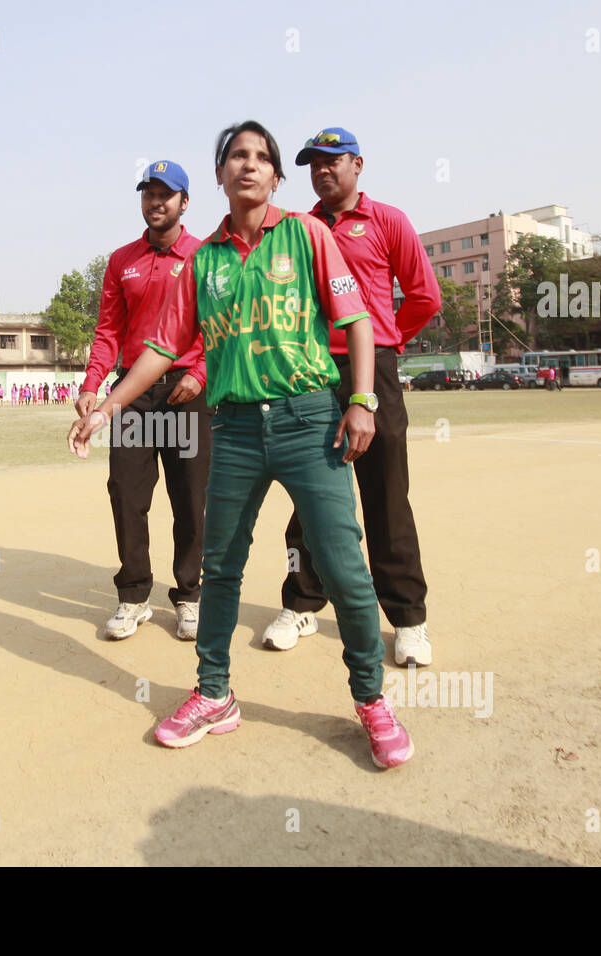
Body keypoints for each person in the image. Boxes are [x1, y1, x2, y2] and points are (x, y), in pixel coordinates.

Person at [70, 120, 413, 768]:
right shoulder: (205, 262)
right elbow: (161, 348)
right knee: (220, 567)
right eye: (236, 156)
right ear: (221, 176)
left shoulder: (308, 234)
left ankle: (371, 699)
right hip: (232, 431)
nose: (248, 165)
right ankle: (214, 694)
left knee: (342, 567)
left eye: (260, 157)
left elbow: (357, 319)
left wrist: (362, 400)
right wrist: (108, 405)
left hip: (310, 421)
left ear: (275, 177)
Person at [263, 127, 442, 666]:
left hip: (376, 372)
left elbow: (424, 297)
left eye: (332, 160)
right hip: (312, 373)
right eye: (313, 163)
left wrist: (386, 341)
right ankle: (301, 603)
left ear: (357, 164)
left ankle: (409, 619)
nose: (322, 169)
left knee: (386, 497)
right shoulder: (299, 229)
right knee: (308, 497)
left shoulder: (388, 220)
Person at [75, 158, 210, 641]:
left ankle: (190, 595)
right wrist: (93, 385)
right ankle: (134, 595)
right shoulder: (121, 260)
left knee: (190, 498)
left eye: (165, 194)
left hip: (186, 391)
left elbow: (222, 329)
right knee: (127, 494)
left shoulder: (206, 255)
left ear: (183, 202)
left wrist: (200, 371)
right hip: (133, 391)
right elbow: (108, 330)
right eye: (148, 194)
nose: (155, 202)